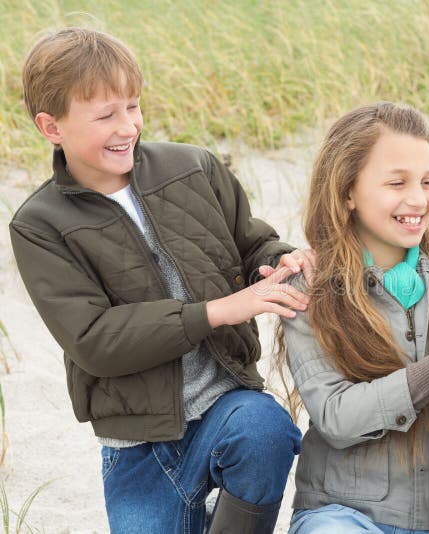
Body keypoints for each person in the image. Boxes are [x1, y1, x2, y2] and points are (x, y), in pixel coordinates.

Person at [10, 27, 313, 533]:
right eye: (105, 115)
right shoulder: (39, 224)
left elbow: (252, 243)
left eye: (133, 106)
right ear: (51, 126)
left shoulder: (193, 167)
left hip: (226, 401)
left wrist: (283, 261)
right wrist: (219, 310)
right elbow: (95, 341)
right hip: (139, 448)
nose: (127, 126)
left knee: (266, 430)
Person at [275, 102, 429, 533]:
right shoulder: (308, 289)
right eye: (396, 183)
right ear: (347, 191)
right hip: (342, 514)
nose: (418, 200)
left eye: (427, 181)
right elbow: (335, 415)